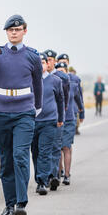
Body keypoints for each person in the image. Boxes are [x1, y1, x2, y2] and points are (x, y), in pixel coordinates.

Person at [0, 15, 43, 215]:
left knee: (20, 156)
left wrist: (38, 106)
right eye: (10, 30)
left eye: (18, 29)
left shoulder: (32, 55)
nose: (14, 32)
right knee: (6, 160)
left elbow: (38, 82)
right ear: (6, 32)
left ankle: (21, 202)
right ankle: (9, 203)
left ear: (24, 31)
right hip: (1, 111)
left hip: (24, 110)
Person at [31, 54, 64, 196]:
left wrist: (60, 118)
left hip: (49, 122)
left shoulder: (55, 81)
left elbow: (60, 100)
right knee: (35, 152)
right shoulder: (29, 80)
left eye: (43, 62)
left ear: (47, 64)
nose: (41, 65)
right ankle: (40, 175)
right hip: (32, 122)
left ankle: (42, 182)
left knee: (45, 152)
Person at [44, 49, 70, 191]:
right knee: (44, 149)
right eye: (46, 60)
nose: (48, 63)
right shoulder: (39, 77)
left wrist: (61, 116)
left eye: (50, 60)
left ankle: (53, 175)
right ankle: (46, 175)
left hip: (56, 117)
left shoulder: (62, 78)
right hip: (43, 119)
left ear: (54, 61)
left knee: (55, 147)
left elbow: (64, 99)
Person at [55, 62, 84, 185]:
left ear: (67, 72)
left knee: (66, 147)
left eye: (63, 70)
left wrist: (81, 114)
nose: (60, 73)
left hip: (69, 119)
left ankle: (67, 175)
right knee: (58, 148)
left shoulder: (73, 85)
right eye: (58, 71)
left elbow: (79, 101)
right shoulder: (55, 84)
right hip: (57, 120)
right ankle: (58, 173)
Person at [58, 54, 84, 135]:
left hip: (72, 112)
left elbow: (79, 97)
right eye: (61, 62)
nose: (63, 63)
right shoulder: (54, 79)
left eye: (65, 62)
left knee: (67, 143)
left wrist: (82, 113)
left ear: (68, 63)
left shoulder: (75, 79)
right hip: (59, 116)